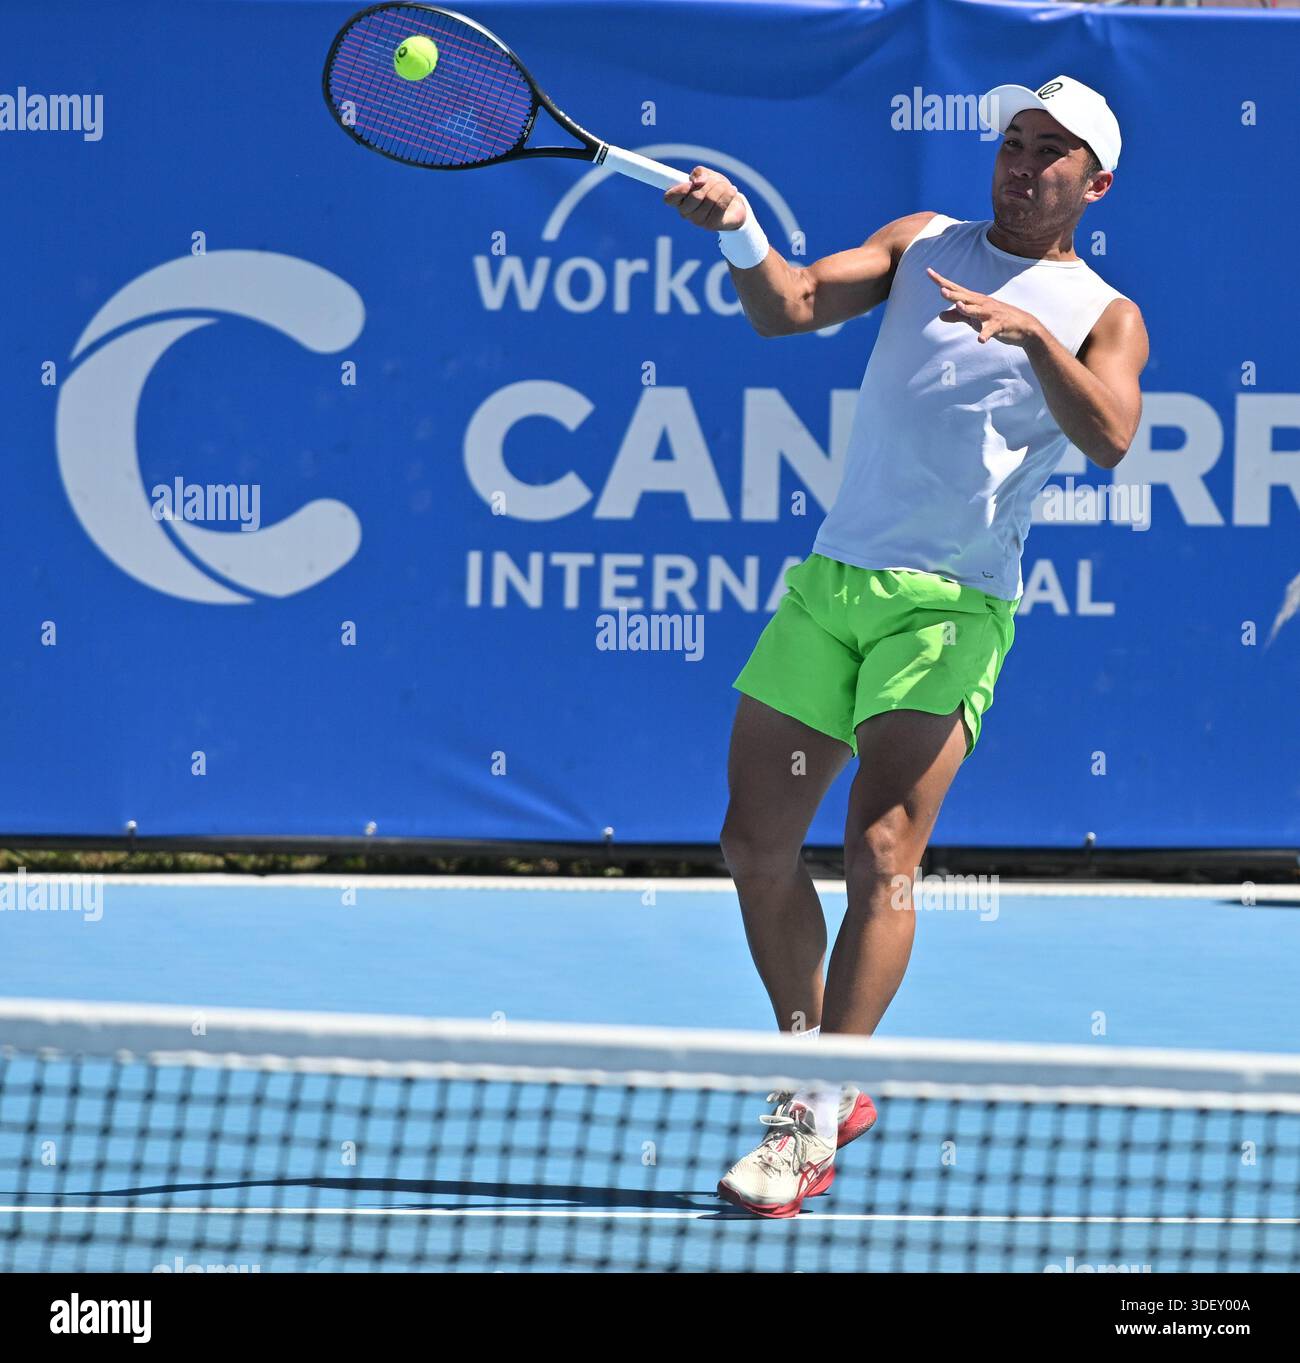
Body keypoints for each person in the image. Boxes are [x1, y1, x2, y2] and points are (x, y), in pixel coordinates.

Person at [664, 77, 1149, 1218]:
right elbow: (786, 305)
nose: (1021, 162)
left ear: (1094, 184)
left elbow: (1112, 436)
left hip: (951, 609)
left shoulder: (1104, 313)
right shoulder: (922, 241)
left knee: (882, 850)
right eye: (1014, 140)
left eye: (1051, 150)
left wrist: (1033, 336)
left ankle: (808, 1113)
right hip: (834, 583)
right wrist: (738, 228)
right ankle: (813, 1061)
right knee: (753, 843)